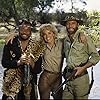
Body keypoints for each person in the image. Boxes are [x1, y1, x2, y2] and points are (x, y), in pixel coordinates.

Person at [1, 20, 44, 100]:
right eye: (22, 30)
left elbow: (38, 70)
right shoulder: (10, 42)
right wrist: (18, 62)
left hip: (29, 86)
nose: (25, 32)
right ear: (18, 30)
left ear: (31, 32)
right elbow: (4, 63)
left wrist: (31, 62)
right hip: (11, 84)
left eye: (28, 30)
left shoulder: (36, 46)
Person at [61, 13, 100, 99]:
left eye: (73, 23)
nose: (70, 25)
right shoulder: (65, 40)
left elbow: (96, 56)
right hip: (68, 78)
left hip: (81, 80)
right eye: (68, 23)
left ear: (78, 24)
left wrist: (83, 68)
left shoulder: (85, 38)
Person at [38, 24, 64, 99]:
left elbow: (73, 38)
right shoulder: (40, 45)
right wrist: (13, 35)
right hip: (45, 78)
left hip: (58, 78)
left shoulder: (62, 43)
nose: (47, 36)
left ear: (53, 33)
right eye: (44, 34)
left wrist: (81, 33)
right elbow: (27, 40)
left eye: (49, 33)